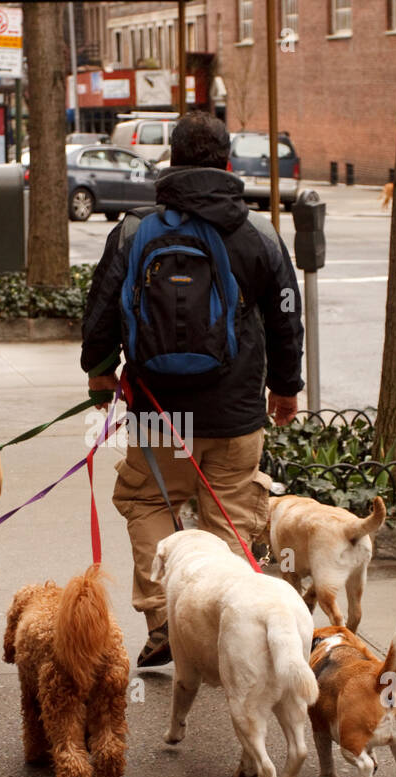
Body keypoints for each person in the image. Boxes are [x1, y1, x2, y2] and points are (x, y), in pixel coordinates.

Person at [81, 111, 304, 667]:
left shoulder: (136, 230)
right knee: (225, 517)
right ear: (228, 163)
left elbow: (102, 309)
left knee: (146, 500)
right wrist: (285, 388)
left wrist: (101, 372)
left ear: (171, 161)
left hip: (160, 412)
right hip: (235, 414)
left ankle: (162, 618)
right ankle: (222, 630)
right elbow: (285, 320)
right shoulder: (259, 235)